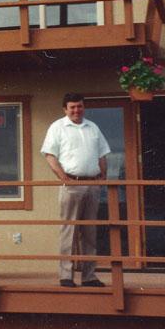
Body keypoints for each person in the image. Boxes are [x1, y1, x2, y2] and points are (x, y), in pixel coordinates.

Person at [41, 92, 110, 288]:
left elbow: (102, 154)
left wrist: (102, 176)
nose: (76, 110)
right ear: (65, 109)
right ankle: (66, 276)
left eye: (79, 106)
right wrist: (64, 178)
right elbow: (49, 155)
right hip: (72, 185)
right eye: (72, 107)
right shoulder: (58, 127)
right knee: (69, 231)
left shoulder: (92, 127)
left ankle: (89, 276)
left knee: (90, 231)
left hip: (93, 185)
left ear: (83, 107)